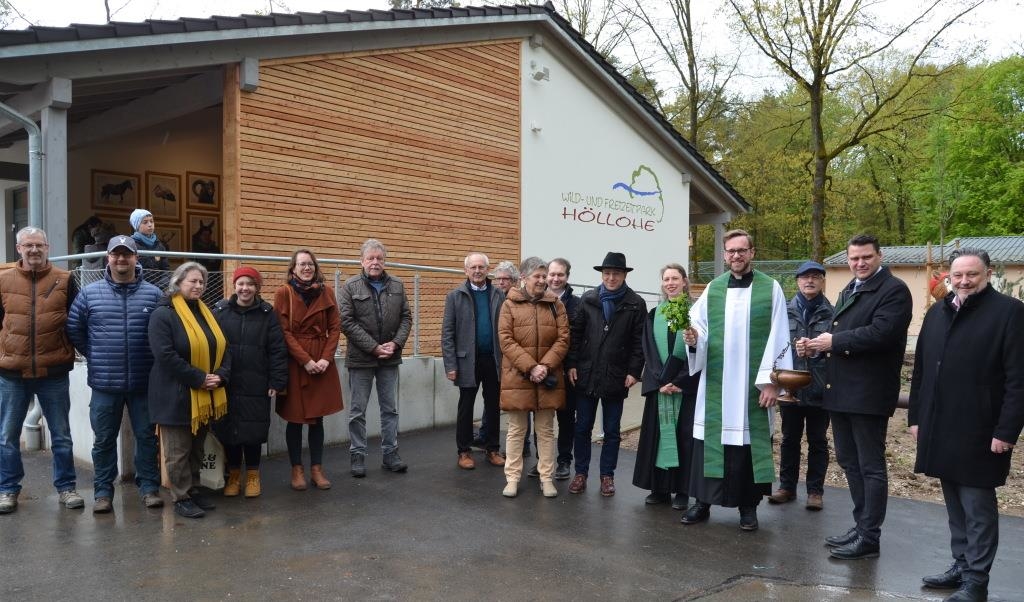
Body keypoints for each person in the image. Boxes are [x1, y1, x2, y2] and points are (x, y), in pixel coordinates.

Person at [909, 248, 1024, 602]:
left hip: (981, 430)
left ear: (987, 273)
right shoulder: (938, 313)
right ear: (949, 276)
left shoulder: (1010, 313)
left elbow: (1018, 380)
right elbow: (922, 372)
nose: (963, 281)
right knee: (955, 505)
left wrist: (1006, 432)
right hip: (940, 426)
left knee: (977, 509)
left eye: (971, 275)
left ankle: (976, 580)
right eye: (957, 275)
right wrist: (915, 417)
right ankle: (961, 565)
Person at [806, 234, 912, 559]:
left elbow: (881, 333)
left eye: (866, 257)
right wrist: (817, 346)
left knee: (870, 466)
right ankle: (861, 525)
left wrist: (832, 342)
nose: (859, 263)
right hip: (841, 392)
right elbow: (842, 334)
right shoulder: (850, 288)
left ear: (879, 255)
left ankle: (869, 536)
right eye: (854, 258)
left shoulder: (894, 290)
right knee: (849, 462)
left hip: (868, 394)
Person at [681, 230, 790, 531]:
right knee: (709, 442)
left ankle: (748, 507)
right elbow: (697, 329)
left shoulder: (771, 289)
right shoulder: (713, 289)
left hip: (752, 387)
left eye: (742, 250)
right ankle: (702, 503)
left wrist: (772, 381)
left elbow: (781, 334)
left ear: (752, 252)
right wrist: (692, 339)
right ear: (725, 254)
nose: (736, 256)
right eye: (731, 251)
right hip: (717, 382)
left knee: (749, 445)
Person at [66, 235, 165, 514]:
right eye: (116, 254)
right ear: (108, 257)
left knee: (147, 437)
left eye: (127, 254)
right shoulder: (89, 293)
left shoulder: (154, 294)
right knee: (104, 440)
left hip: (144, 382)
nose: (121, 259)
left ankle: (149, 488)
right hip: (105, 383)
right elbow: (75, 329)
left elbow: (162, 334)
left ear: (136, 258)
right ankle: (102, 492)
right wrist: (95, 355)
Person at [0, 227, 83, 515]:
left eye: (39, 245)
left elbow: (77, 319)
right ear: (18, 248)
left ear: (47, 247)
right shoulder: (3, 279)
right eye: (28, 245)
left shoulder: (65, 279)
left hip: (53, 371)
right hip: (13, 373)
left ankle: (67, 488)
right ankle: (8, 489)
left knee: (61, 435)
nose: (34, 250)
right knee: (7, 437)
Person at [147, 261, 231, 519]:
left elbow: (224, 347)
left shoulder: (206, 312)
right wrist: (199, 378)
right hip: (175, 394)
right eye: (192, 281)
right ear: (178, 282)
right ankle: (180, 496)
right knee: (177, 451)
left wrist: (222, 376)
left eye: (202, 282)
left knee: (197, 447)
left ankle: (193, 489)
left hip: (204, 394)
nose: (198, 286)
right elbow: (165, 355)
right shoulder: (164, 314)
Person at [566, 251, 645, 497]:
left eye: (616, 274)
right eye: (607, 273)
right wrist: (572, 364)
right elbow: (575, 335)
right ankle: (580, 473)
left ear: (624, 275)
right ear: (602, 274)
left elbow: (638, 342)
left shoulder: (635, 303)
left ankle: (607, 476)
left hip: (616, 376)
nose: (611, 278)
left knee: (612, 431)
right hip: (587, 374)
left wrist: (634, 371)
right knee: (582, 428)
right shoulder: (588, 300)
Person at [338, 239, 412, 477]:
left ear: (384, 261)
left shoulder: (398, 286)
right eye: (370, 258)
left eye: (379, 258)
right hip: (361, 359)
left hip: (389, 358)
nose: (375, 263)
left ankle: (390, 454)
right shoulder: (350, 287)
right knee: (357, 411)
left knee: (390, 409)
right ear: (362, 261)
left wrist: (396, 343)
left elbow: (406, 318)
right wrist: (373, 347)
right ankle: (357, 455)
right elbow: (345, 322)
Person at [212, 266, 288, 498]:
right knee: (229, 429)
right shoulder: (221, 311)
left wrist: (277, 380)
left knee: (253, 430)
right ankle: (234, 475)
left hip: (257, 381)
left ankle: (253, 475)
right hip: (228, 381)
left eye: (250, 284)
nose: (245, 288)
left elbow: (277, 350)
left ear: (257, 288)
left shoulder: (267, 314)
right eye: (241, 283)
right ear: (234, 286)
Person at [497, 257, 570, 498]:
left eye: (544, 275)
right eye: (537, 276)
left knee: (546, 430)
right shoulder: (509, 304)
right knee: (517, 430)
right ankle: (512, 478)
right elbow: (505, 339)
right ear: (524, 278)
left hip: (548, 376)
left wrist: (545, 366)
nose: (542, 280)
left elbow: (563, 339)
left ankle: (546, 478)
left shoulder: (556, 305)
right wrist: (531, 367)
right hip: (518, 376)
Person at [274, 249, 344, 491]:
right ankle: (297, 469)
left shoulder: (327, 292)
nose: (306, 268)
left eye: (310, 264)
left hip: (321, 360)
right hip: (296, 362)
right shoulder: (284, 292)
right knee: (295, 419)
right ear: (293, 268)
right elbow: (283, 331)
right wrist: (305, 360)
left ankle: (317, 468)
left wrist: (326, 358)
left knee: (317, 420)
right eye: (302, 264)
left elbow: (335, 328)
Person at [632, 263, 700, 512]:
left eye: (675, 278)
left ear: (684, 281)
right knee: (658, 436)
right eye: (666, 279)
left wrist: (680, 382)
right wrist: (659, 382)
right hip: (660, 386)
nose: (670, 283)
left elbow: (700, 350)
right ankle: (659, 488)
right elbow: (648, 350)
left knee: (684, 438)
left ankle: (682, 491)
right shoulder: (654, 314)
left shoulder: (697, 311)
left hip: (685, 387)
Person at [770, 260, 834, 511]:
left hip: (820, 387)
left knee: (818, 440)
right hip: (790, 388)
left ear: (822, 281)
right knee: (789, 439)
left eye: (816, 277)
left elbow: (837, 349)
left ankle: (815, 491)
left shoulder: (833, 313)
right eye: (805, 277)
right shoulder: (784, 312)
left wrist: (818, 349)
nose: (810, 281)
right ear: (797, 281)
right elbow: (775, 347)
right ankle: (787, 487)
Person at [442, 252, 506, 470]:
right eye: (473, 267)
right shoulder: (455, 296)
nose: (477, 271)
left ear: (488, 270)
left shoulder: (499, 294)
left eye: (482, 267)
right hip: (467, 361)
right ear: (466, 270)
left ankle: (493, 448)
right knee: (466, 406)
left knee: (494, 406)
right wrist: (450, 365)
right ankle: (464, 451)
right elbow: (447, 333)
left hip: (494, 360)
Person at [544, 257, 580, 480]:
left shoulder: (577, 304)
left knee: (566, 418)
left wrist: (573, 364)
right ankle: (543, 461)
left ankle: (564, 461)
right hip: (543, 369)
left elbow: (577, 338)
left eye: (561, 274)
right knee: (543, 419)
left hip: (567, 370)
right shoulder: (537, 300)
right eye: (552, 274)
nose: (556, 279)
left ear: (567, 276)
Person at [129, 209, 171, 287]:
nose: (150, 225)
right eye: (145, 222)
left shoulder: (160, 245)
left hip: (159, 288)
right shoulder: (130, 244)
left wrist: (161, 286)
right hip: (138, 288)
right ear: (137, 225)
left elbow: (166, 270)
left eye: (151, 221)